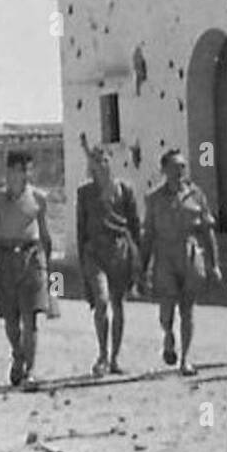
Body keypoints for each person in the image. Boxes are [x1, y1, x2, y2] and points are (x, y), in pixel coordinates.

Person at [137, 148, 221, 376]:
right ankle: (168, 335)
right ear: (164, 170)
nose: (179, 171)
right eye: (174, 167)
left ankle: (185, 359)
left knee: (188, 308)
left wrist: (214, 264)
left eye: (182, 167)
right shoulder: (154, 199)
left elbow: (207, 230)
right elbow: (148, 235)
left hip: (190, 253)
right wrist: (142, 268)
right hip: (165, 255)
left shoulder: (196, 195)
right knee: (166, 310)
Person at [0, 149, 56, 390]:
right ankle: (17, 355)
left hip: (32, 259)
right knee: (11, 321)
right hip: (5, 259)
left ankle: (30, 371)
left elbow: (46, 236)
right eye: (18, 170)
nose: (22, 175)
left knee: (30, 317)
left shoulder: (39, 198)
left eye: (26, 170)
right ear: (9, 172)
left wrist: (53, 277)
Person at [76, 145, 144, 377]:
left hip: (120, 252)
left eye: (105, 160)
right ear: (91, 166)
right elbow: (80, 229)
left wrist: (138, 262)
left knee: (118, 304)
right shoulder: (84, 193)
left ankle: (114, 357)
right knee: (101, 301)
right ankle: (102, 354)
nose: (102, 165)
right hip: (94, 253)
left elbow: (135, 226)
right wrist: (81, 266)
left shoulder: (124, 190)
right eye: (97, 162)